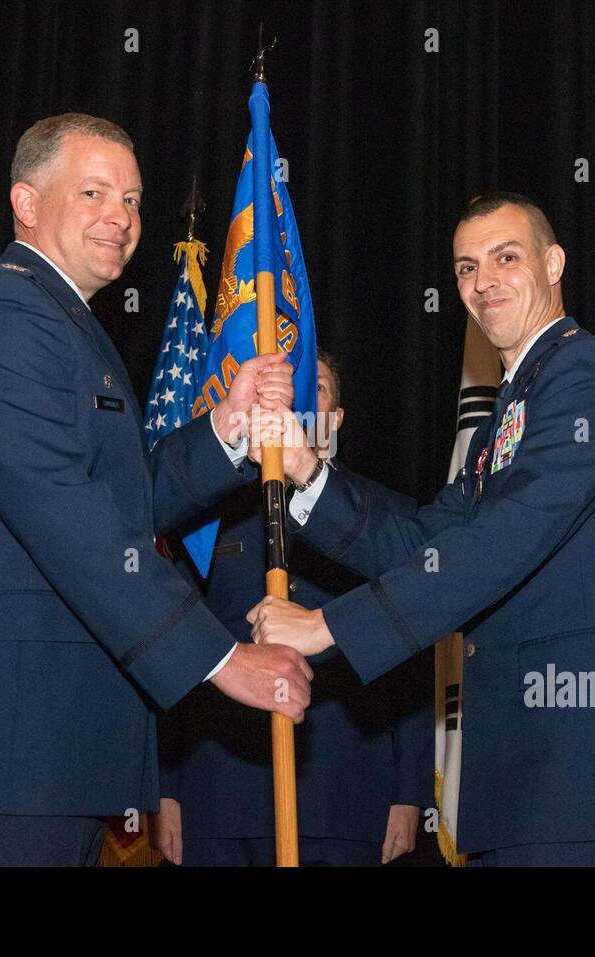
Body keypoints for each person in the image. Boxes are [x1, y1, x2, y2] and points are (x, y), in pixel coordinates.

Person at [0, 113, 312, 866]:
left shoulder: (65, 322)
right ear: (26, 203)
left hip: (51, 753)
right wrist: (223, 659)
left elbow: (121, 502)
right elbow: (64, 515)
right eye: (95, 192)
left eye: (134, 200)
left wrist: (225, 430)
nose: (121, 218)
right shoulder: (2, 315)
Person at [249, 192, 595, 866]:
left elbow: (508, 538)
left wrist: (329, 627)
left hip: (582, 783)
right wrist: (308, 472)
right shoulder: (505, 414)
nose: (483, 282)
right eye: (465, 268)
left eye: (505, 258)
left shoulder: (584, 373)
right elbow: (423, 543)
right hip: (513, 786)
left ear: (554, 262)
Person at [154, 353, 433, 867]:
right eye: (294, 386)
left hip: (347, 792)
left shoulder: (390, 519)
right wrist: (165, 786)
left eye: (319, 387)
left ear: (338, 417)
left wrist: (410, 791)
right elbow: (172, 636)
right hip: (217, 792)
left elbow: (412, 658)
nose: (304, 399)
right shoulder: (203, 522)